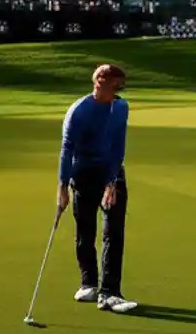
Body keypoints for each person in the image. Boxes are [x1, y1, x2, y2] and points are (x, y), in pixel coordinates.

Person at [57, 63, 137, 313]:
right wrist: (62, 186)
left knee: (113, 232)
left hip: (111, 173)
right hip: (83, 174)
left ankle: (110, 293)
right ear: (97, 80)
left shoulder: (121, 108)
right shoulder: (79, 110)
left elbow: (118, 146)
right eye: (101, 74)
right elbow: (67, 149)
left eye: (117, 86)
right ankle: (88, 283)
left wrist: (111, 181)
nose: (116, 93)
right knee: (85, 230)